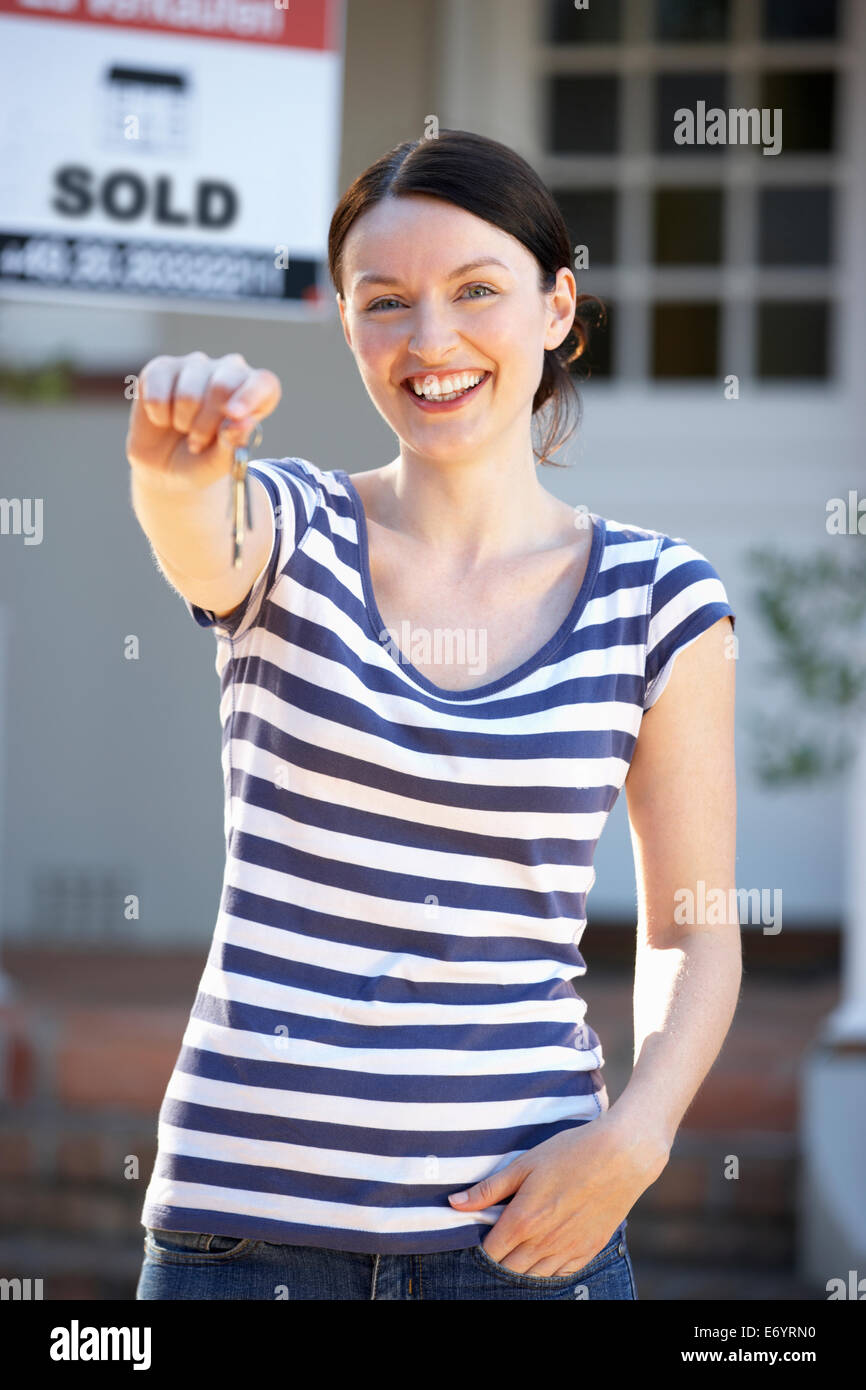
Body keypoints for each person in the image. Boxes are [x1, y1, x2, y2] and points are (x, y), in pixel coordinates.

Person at [127, 129, 740, 1301]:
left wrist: (636, 1138)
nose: (431, 340)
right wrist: (171, 464)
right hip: (240, 1247)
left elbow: (691, 926)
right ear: (348, 323)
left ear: (557, 307)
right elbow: (196, 530)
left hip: (524, 1245)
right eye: (385, 301)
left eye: (476, 291)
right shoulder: (290, 529)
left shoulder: (657, 597)